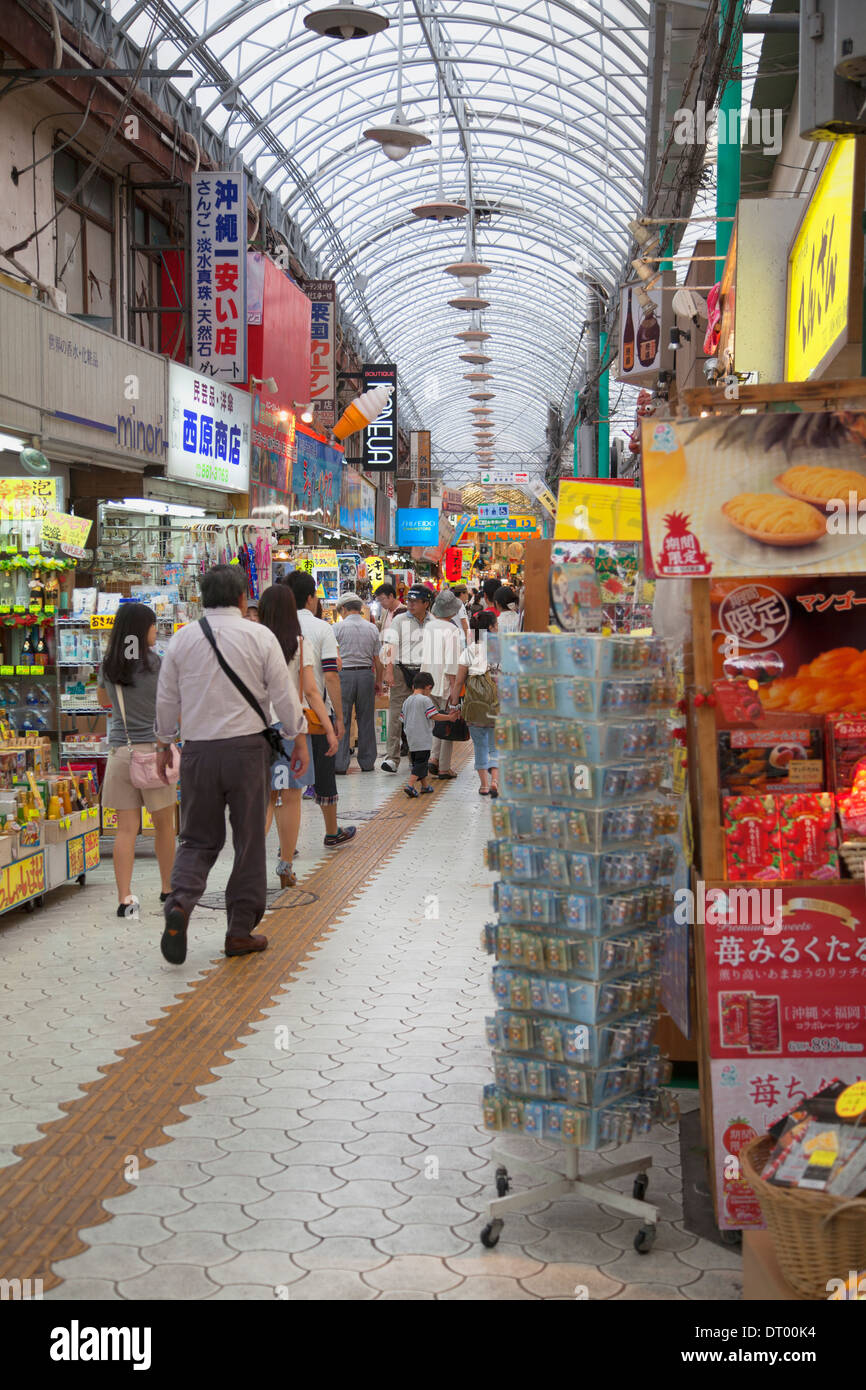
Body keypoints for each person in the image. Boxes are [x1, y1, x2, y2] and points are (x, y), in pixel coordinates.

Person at [154, 566, 308, 963]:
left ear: (204, 598)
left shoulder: (182, 640)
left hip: (199, 752)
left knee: (197, 839)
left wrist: (163, 745)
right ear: (243, 598)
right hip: (246, 752)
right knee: (249, 841)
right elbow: (284, 695)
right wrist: (298, 736)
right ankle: (239, 931)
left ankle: (181, 902)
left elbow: (167, 700)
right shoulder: (260, 637)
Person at [98, 602, 177, 921]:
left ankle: (125, 898)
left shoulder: (109, 665)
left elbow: (104, 702)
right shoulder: (158, 665)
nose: (156, 630)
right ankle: (168, 888)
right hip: (154, 753)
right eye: (153, 625)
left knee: (126, 830)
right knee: (164, 827)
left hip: (121, 753)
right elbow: (172, 706)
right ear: (141, 630)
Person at [258, 584, 338, 888]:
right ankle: (285, 864)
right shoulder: (297, 643)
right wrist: (330, 728)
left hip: (255, 730)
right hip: (288, 730)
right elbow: (311, 691)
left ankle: (250, 863)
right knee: (289, 800)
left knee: (264, 800)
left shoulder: (252, 641)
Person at [286, 570, 357, 847]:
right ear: (310, 597)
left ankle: (286, 844)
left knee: (287, 781)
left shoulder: (274, 627)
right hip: (315, 714)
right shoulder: (321, 628)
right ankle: (331, 831)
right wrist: (339, 717)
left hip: (282, 717)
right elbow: (330, 676)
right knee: (324, 773)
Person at [379, 583, 436, 774]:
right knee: (396, 714)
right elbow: (390, 646)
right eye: (409, 600)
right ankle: (392, 758)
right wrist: (388, 671)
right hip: (400, 670)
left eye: (415, 601)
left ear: (426, 603)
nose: (410, 604)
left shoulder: (433, 622)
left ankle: (417, 758)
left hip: (423, 672)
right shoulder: (399, 620)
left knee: (420, 716)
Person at [451, 611, 500, 796]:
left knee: (480, 746)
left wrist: (454, 705)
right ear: (490, 628)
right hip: (498, 706)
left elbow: (458, 682)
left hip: (474, 706)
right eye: (496, 625)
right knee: (496, 746)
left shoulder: (469, 651)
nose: (498, 628)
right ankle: (496, 780)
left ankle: (484, 785)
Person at [334, 592, 382, 774]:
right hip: (365, 675)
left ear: (344, 609)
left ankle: (340, 763)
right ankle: (368, 762)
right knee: (366, 719)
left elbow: (333, 657)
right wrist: (378, 680)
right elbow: (378, 660)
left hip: (343, 676)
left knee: (342, 718)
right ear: (360, 609)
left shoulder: (337, 629)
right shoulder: (372, 629)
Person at [425, 590, 464, 781]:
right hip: (444, 683)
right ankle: (444, 768)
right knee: (448, 721)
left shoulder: (429, 627)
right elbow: (451, 664)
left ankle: (433, 758)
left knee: (436, 721)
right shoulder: (452, 630)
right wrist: (454, 691)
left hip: (428, 681)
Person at [400, 672, 456, 797]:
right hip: (423, 739)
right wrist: (449, 717)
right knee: (421, 763)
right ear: (428, 687)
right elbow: (433, 715)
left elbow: (402, 719)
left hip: (411, 739)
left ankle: (425, 786)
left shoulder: (407, 701)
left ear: (414, 686)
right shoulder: (425, 700)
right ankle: (410, 785)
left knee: (418, 763)